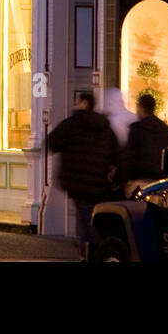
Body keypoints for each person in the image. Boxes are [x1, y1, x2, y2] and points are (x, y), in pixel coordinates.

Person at [47, 92, 118, 249]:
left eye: (77, 102)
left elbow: (53, 142)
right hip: (100, 182)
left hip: (78, 182)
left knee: (86, 217)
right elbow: (115, 153)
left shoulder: (72, 123)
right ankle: (87, 245)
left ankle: (90, 247)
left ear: (84, 103)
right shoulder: (104, 127)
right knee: (90, 215)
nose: (75, 105)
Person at [121, 94, 168, 197]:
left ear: (141, 108)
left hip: (140, 180)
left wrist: (123, 177)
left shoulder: (137, 129)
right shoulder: (165, 130)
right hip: (161, 182)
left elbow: (130, 157)